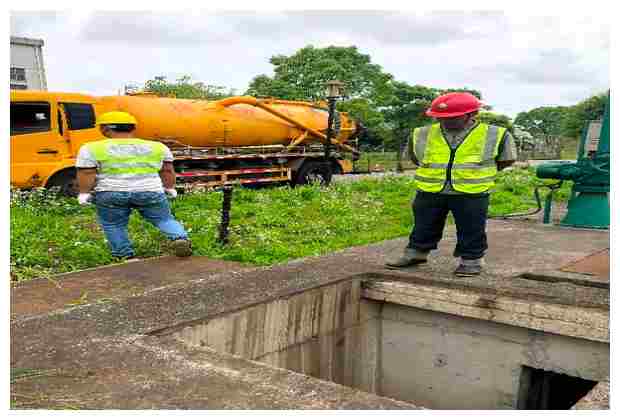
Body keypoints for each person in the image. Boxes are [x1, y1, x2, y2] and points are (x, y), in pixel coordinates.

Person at [386, 92, 517, 276]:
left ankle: (472, 261)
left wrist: (474, 173)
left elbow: (506, 159)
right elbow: (416, 158)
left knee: (471, 227)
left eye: (452, 117)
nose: (444, 121)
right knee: (423, 224)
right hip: (430, 188)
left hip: (472, 190)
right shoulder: (421, 133)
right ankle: (416, 254)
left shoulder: (496, 134)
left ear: (471, 114)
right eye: (440, 117)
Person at [75, 111, 192, 260]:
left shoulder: (91, 148)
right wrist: (169, 187)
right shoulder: (157, 147)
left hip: (110, 192)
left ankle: (125, 256)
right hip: (150, 191)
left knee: (114, 225)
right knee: (164, 219)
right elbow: (167, 170)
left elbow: (86, 173)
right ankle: (179, 238)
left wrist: (84, 192)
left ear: (105, 129)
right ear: (132, 128)